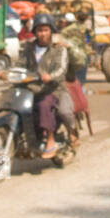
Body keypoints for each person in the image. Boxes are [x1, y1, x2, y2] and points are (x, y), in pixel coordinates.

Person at [24, 13, 75, 159]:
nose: (42, 34)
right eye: (39, 30)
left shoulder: (59, 48)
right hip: (32, 88)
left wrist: (50, 76)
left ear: (51, 31)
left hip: (53, 89)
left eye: (45, 30)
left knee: (44, 105)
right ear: (35, 32)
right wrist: (5, 72)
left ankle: (50, 140)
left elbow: (61, 68)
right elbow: (20, 65)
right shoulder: (29, 48)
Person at [58, 11, 89, 85]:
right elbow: (89, 38)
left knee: (74, 83)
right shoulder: (83, 28)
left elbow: (61, 43)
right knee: (80, 81)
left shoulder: (64, 31)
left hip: (72, 58)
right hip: (82, 55)